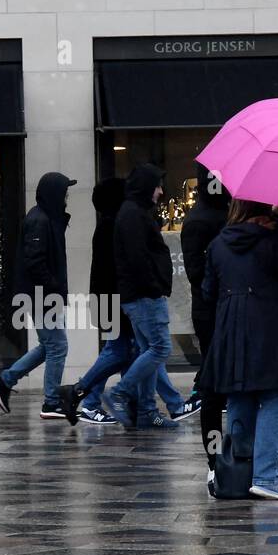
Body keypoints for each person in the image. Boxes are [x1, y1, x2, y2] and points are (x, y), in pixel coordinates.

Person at [59, 178, 199, 427]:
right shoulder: (113, 225)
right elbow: (116, 269)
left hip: (112, 299)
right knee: (130, 350)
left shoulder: (111, 223)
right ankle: (89, 399)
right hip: (114, 300)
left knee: (134, 350)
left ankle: (108, 399)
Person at [201, 199, 278, 500]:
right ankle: (266, 475)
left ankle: (239, 473)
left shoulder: (219, 243)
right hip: (269, 328)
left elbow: (207, 292)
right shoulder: (275, 240)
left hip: (230, 330)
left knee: (240, 398)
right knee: (274, 396)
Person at [0, 172, 74, 418]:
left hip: (45, 295)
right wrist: (53, 286)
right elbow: (34, 261)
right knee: (58, 346)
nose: (67, 197)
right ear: (54, 193)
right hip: (42, 296)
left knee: (49, 346)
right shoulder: (39, 220)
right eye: (64, 192)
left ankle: (4, 381)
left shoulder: (47, 218)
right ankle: (51, 402)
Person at [105, 163, 179, 430]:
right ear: (147, 186)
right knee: (160, 348)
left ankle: (148, 412)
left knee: (149, 350)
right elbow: (139, 259)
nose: (160, 191)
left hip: (141, 295)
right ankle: (120, 393)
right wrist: (155, 286)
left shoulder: (134, 212)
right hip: (144, 296)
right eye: (157, 185)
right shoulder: (134, 215)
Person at [181, 162, 230, 482]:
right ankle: (215, 463)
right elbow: (197, 274)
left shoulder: (225, 214)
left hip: (225, 308)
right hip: (212, 310)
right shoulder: (201, 220)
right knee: (214, 387)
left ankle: (228, 459)